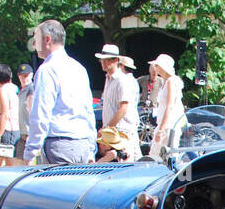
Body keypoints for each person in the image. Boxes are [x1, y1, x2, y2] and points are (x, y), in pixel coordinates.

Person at [23, 19, 96, 166]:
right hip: (82, 144)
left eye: (35, 39)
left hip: (59, 145)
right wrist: (90, 149)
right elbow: (88, 111)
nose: (33, 45)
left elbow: (41, 113)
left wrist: (31, 151)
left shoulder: (47, 69)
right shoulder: (79, 68)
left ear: (47, 39)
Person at [94, 44, 138, 162]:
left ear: (116, 60)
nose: (103, 62)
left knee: (124, 169)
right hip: (112, 132)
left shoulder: (122, 80)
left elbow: (123, 108)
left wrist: (107, 127)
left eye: (107, 59)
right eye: (102, 59)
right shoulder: (108, 79)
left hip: (122, 132)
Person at [149, 52, 186, 157]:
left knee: (165, 156)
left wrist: (161, 129)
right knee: (159, 156)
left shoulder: (171, 81)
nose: (155, 67)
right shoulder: (166, 81)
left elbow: (169, 106)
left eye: (157, 65)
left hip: (168, 126)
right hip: (165, 124)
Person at [0, 63, 19, 167]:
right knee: (10, 165)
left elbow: (4, 113)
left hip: (5, 131)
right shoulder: (13, 88)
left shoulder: (3, 90)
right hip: (14, 130)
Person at [14, 64, 34, 161]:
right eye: (22, 75)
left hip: (30, 135)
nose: (24, 78)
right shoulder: (20, 91)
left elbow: (33, 113)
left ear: (31, 75)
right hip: (21, 134)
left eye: (27, 75)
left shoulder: (32, 90)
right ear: (18, 76)